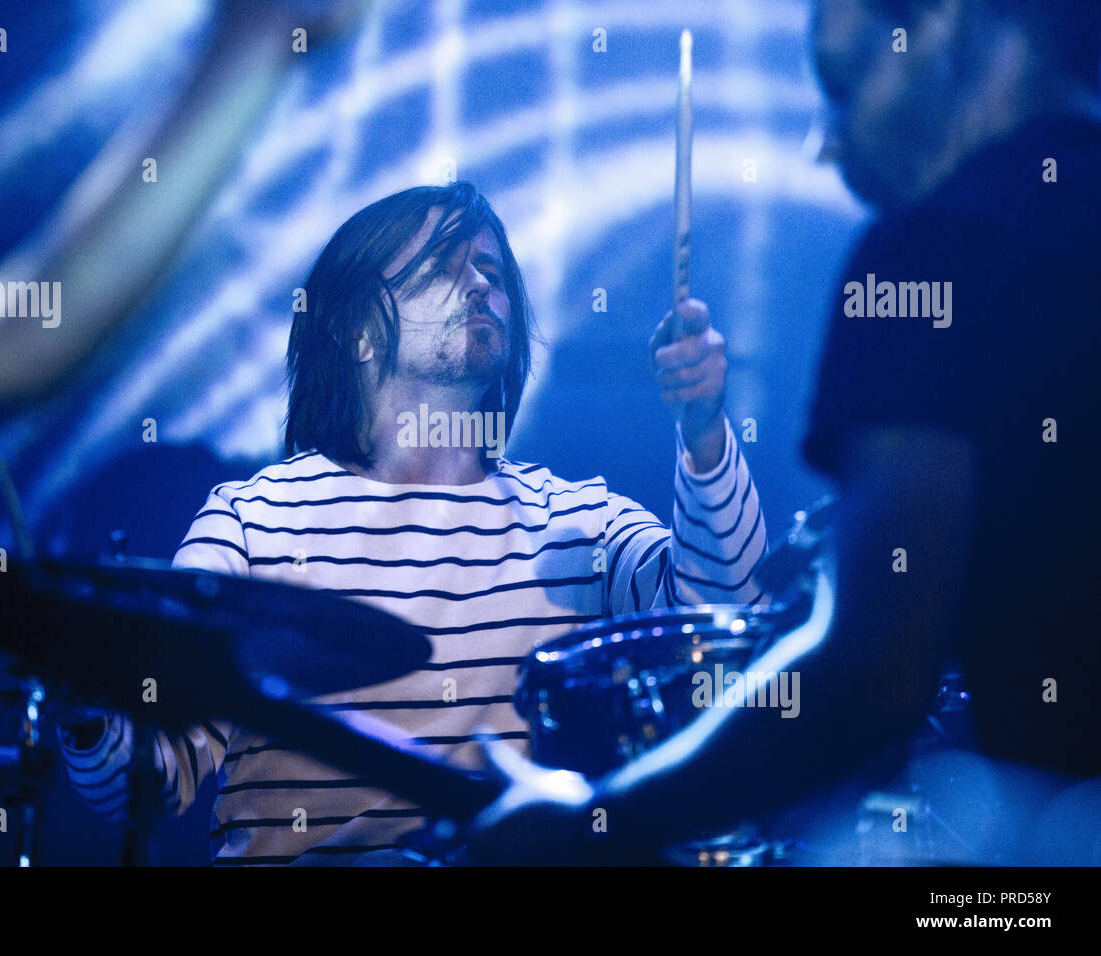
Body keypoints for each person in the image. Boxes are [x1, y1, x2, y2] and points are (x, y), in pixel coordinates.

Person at [469, 0, 1101, 865]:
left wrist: (597, 821)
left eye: (844, 86)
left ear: (949, 25)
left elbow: (871, 673)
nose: (827, 143)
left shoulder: (943, 248)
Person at [58, 180, 769, 865]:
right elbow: (148, 785)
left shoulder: (577, 522)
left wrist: (704, 432)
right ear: (358, 330)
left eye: (489, 268)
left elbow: (726, 614)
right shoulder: (253, 519)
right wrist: (82, 702)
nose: (480, 284)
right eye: (441, 267)